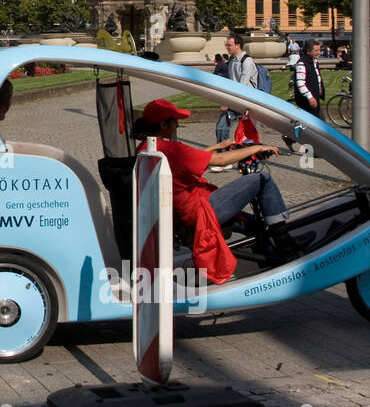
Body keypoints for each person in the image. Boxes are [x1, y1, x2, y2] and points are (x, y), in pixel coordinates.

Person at [133, 99, 296, 275]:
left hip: (186, 213)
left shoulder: (146, 149)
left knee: (254, 224)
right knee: (261, 178)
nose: (178, 125)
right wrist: (257, 148)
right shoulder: (171, 149)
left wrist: (219, 146)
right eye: (175, 121)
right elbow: (220, 160)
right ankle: (285, 245)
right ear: (164, 124)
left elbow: (193, 158)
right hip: (202, 211)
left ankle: (272, 256)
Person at [215, 32, 256, 151]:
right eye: (226, 45)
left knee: (248, 133)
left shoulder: (247, 61)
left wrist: (228, 102)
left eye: (229, 45)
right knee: (221, 128)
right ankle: (224, 156)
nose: (227, 47)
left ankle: (249, 159)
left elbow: (242, 86)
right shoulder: (232, 61)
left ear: (238, 45)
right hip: (236, 101)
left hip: (247, 102)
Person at [291, 40, 325, 119]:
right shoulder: (302, 63)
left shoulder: (314, 62)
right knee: (308, 121)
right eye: (316, 51)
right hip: (306, 100)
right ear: (308, 51)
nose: (318, 52)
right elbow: (300, 83)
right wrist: (309, 97)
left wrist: (320, 89)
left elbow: (317, 76)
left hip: (315, 95)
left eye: (319, 50)